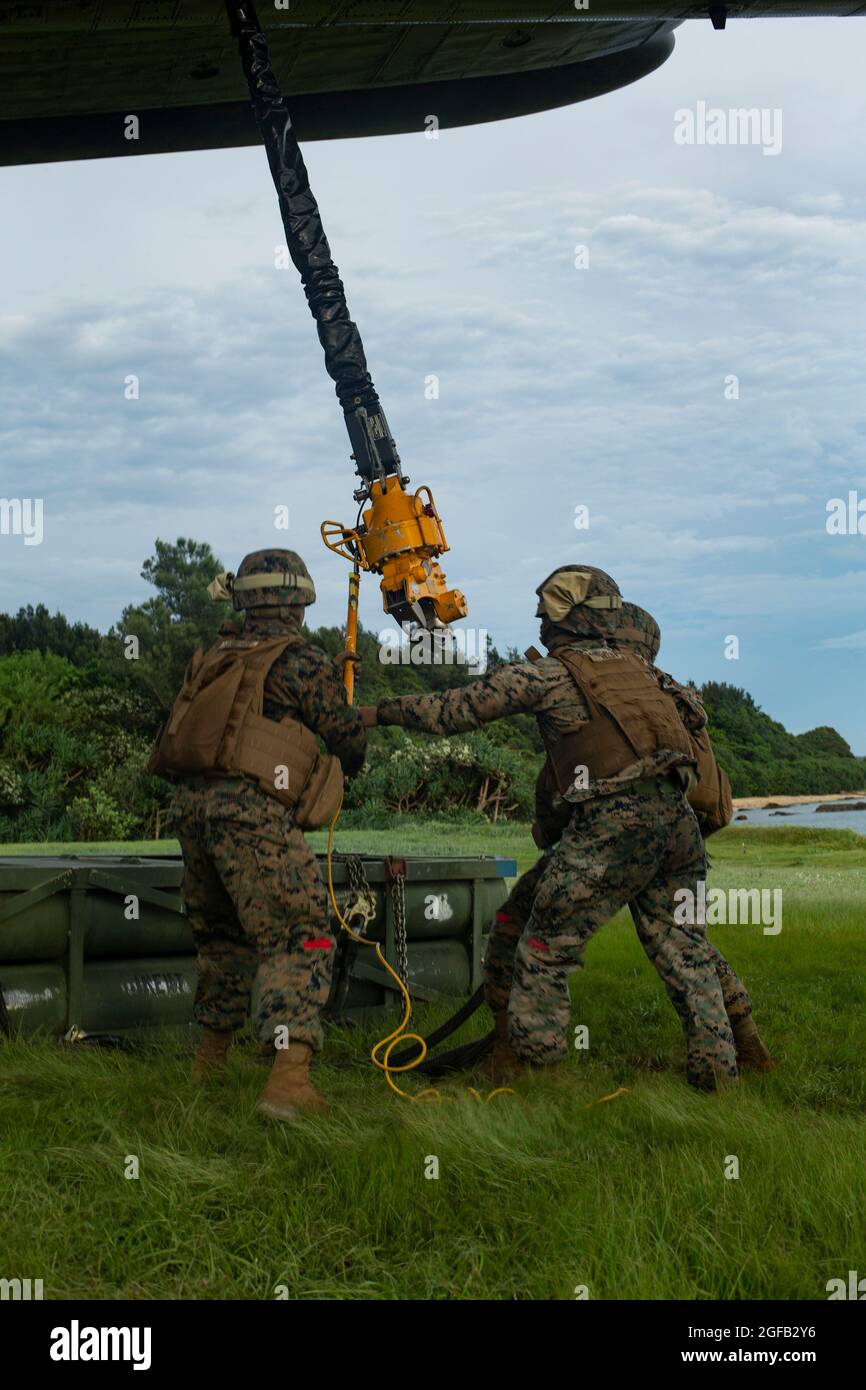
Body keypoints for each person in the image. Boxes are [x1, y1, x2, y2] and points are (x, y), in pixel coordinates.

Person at [360, 565, 770, 1092]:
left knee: (545, 947)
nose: (539, 626)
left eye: (544, 617)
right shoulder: (653, 678)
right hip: (677, 824)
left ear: (565, 620)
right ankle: (720, 1078)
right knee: (681, 949)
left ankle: (535, 1076)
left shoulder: (550, 675)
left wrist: (374, 713)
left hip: (611, 829)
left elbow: (453, 711)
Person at [152, 549, 365, 1120]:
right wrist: (342, 698)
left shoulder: (217, 655)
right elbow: (348, 743)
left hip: (192, 812)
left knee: (222, 938)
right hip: (250, 816)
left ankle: (209, 1065)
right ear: (298, 602)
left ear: (245, 601)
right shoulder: (301, 660)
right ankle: (288, 1082)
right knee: (303, 936)